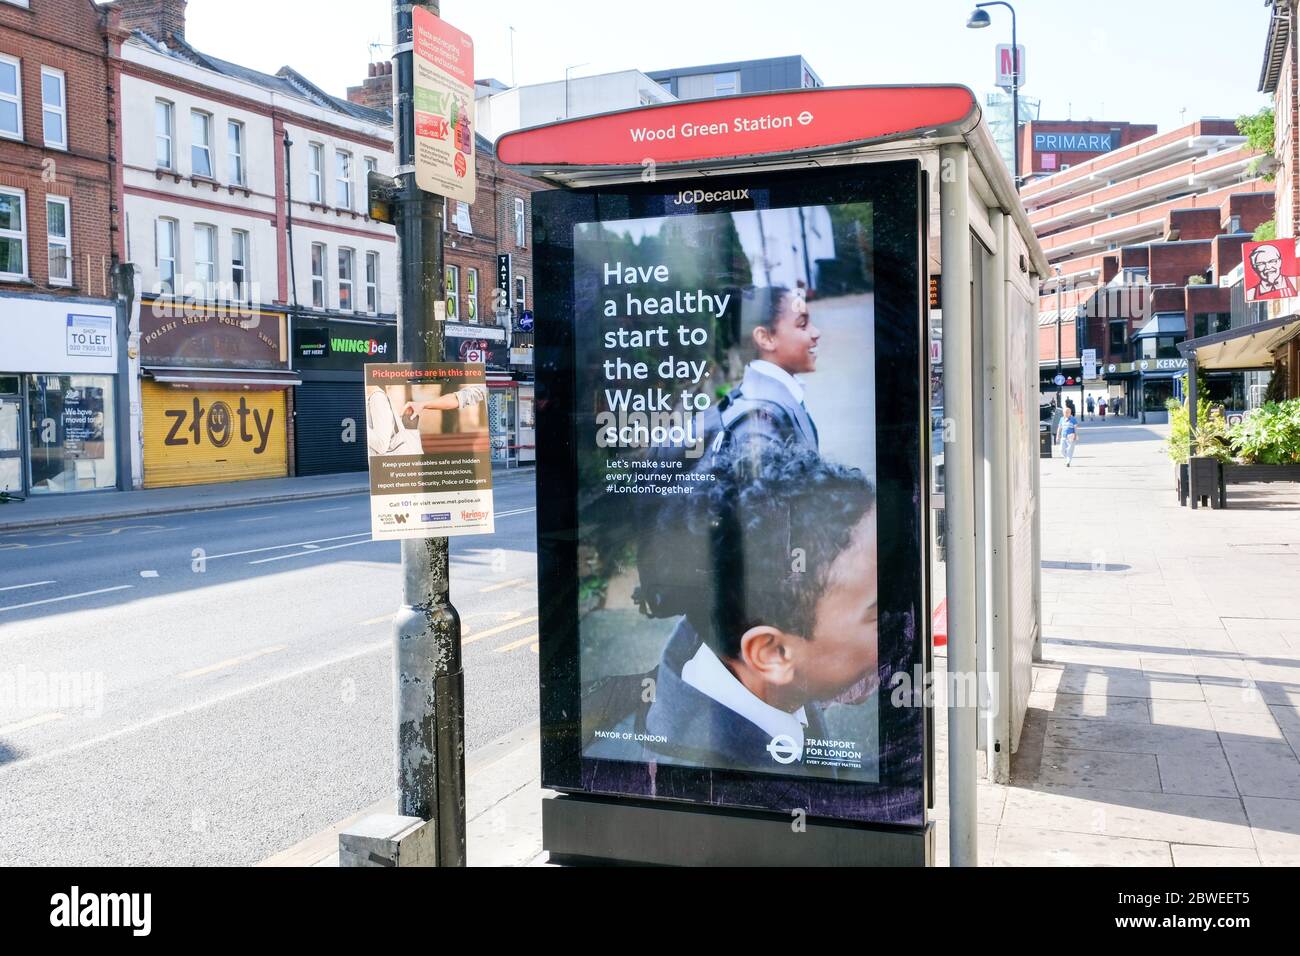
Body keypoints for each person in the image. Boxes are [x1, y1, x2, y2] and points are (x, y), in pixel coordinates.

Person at [585, 444, 879, 775]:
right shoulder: (706, 789)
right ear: (772, 654)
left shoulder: (738, 660)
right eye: (874, 614)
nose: (902, 627)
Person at [726, 285, 821, 452]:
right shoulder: (761, 421)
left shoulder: (774, 399)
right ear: (765, 338)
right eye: (803, 324)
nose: (816, 333)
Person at [365, 383, 488, 457]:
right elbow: (461, 397)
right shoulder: (377, 397)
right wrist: (424, 404)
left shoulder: (377, 398)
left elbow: (381, 445)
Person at [1057, 402, 1079, 466]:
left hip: (1071, 437)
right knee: (1061, 450)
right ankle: (1067, 458)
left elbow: (1075, 428)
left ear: (1070, 413)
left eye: (1067, 412)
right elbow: (1059, 428)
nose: (1066, 414)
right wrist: (1057, 436)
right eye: (1065, 412)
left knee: (1070, 450)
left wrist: (1075, 435)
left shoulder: (1073, 419)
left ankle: (1068, 462)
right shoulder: (1061, 419)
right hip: (1063, 437)